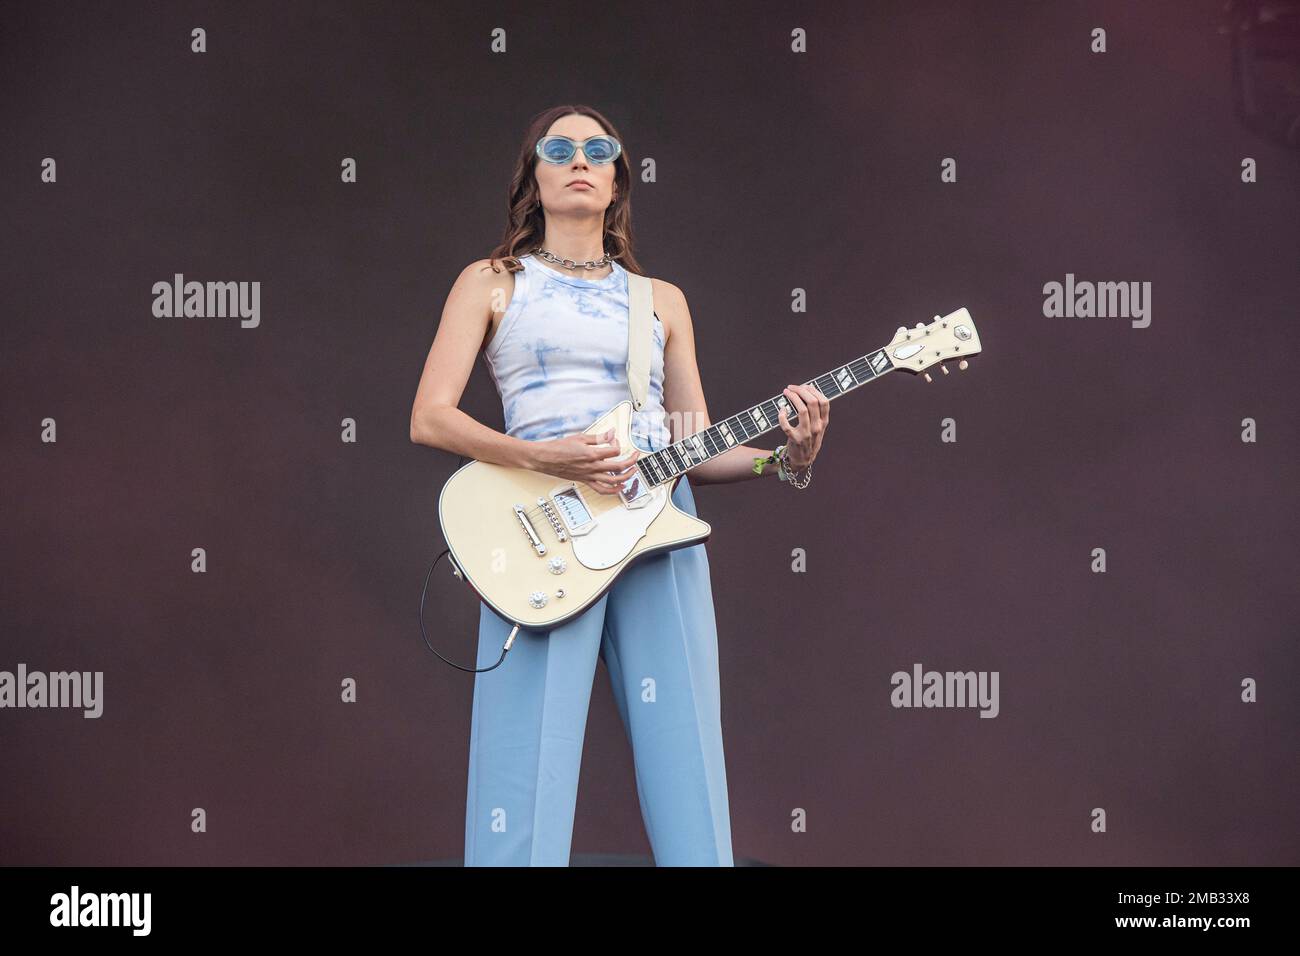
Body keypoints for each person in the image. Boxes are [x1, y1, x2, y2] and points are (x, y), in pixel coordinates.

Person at [408, 104, 830, 866]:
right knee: (521, 773)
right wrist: (546, 459)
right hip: (541, 528)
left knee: (689, 758)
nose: (579, 157)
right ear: (532, 176)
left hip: (658, 527)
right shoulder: (491, 282)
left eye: (597, 148)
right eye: (558, 147)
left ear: (616, 178)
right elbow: (431, 418)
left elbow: (690, 448)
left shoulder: (660, 301)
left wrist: (783, 459)